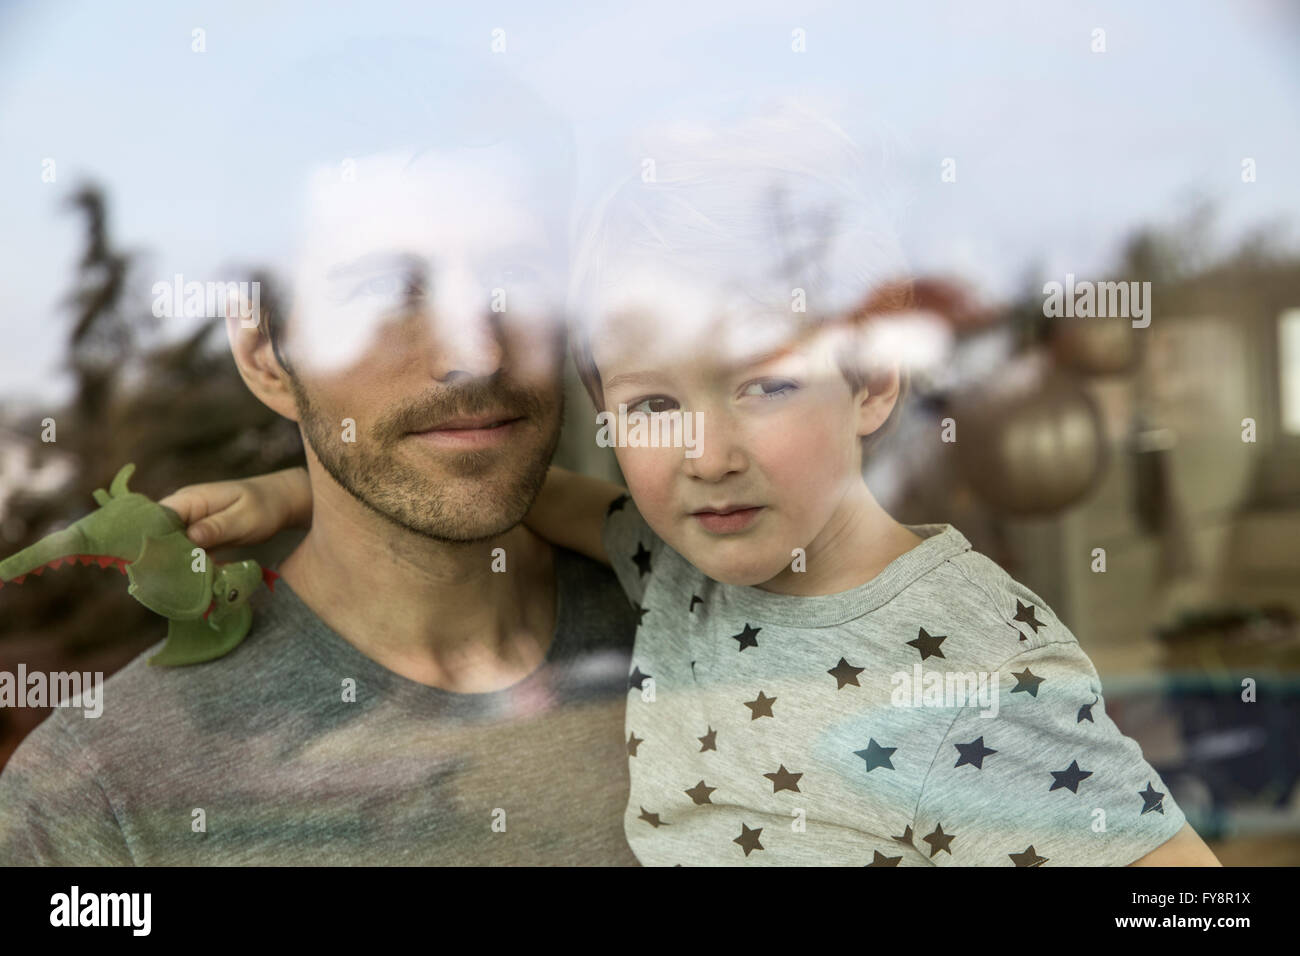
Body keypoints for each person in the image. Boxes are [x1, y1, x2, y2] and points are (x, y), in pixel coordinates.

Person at [164, 103, 1221, 866]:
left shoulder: (972, 656)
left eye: (764, 383)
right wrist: (289, 492)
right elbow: (517, 491)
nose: (708, 452)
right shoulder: (682, 557)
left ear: (870, 381)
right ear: (604, 403)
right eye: (656, 404)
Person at [0, 42, 640, 866]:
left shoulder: (729, 637)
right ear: (266, 351)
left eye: (517, 276)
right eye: (385, 291)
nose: (475, 349)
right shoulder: (96, 804)